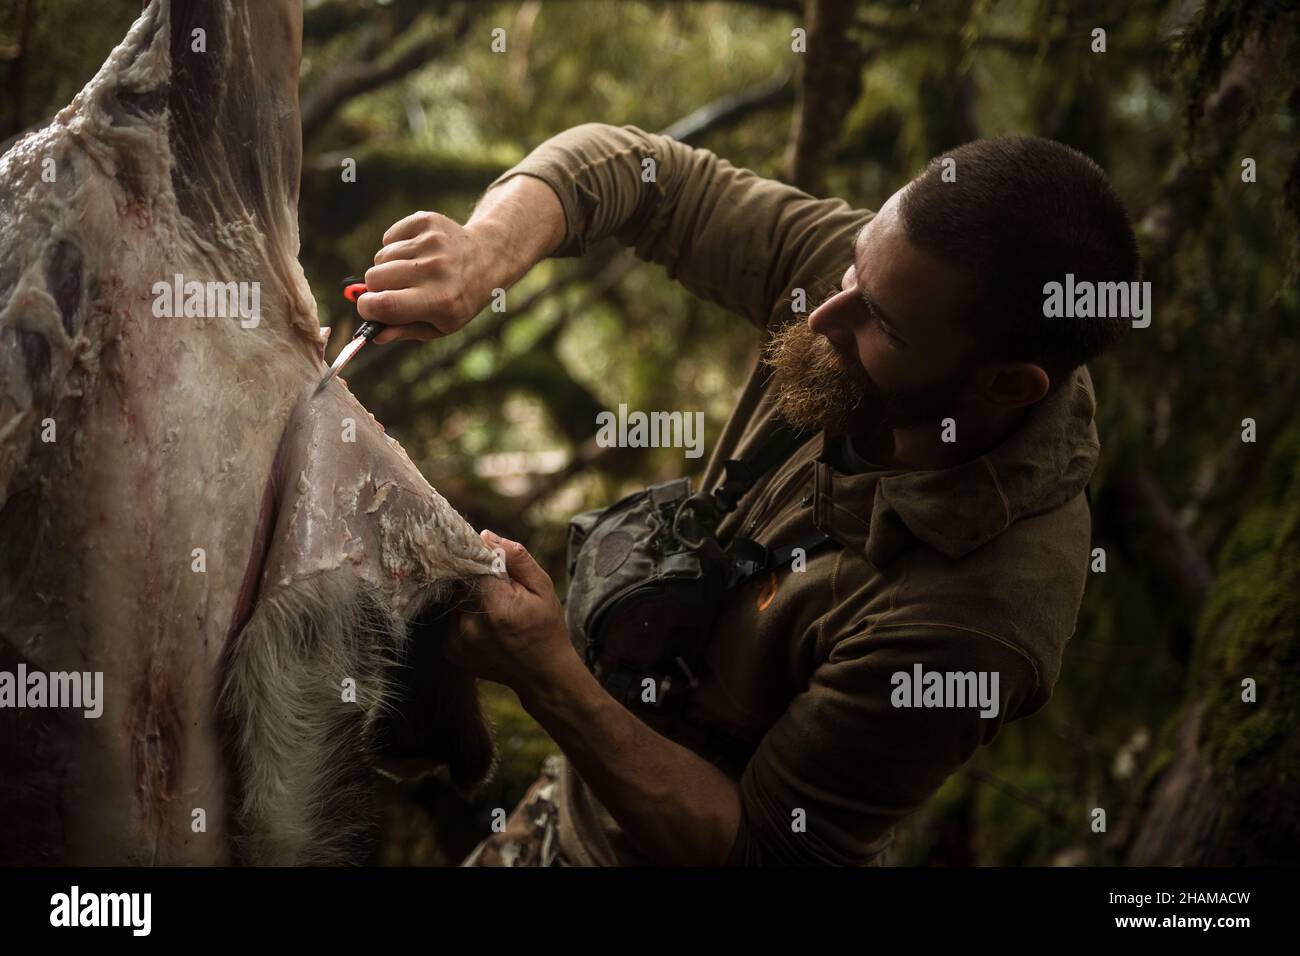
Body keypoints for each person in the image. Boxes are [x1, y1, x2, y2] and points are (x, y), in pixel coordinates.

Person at [357, 124, 1141, 866]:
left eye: (883, 327)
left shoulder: (975, 618)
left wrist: (546, 676)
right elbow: (639, 172)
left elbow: (761, 850)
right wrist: (481, 252)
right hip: (565, 810)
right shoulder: (895, 279)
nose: (823, 317)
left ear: (1007, 386)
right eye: (849, 274)